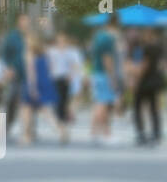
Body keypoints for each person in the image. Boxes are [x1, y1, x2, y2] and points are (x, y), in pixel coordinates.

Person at [89, 16, 122, 144]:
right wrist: (113, 78)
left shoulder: (99, 36)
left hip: (97, 73)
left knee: (99, 103)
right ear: (114, 26)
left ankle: (94, 132)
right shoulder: (108, 39)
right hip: (104, 74)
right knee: (103, 104)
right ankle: (107, 134)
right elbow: (107, 59)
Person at [22, 32, 58, 145]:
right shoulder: (44, 53)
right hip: (44, 83)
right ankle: (59, 128)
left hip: (33, 85)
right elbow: (51, 68)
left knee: (27, 110)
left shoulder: (29, 54)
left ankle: (27, 136)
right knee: (45, 110)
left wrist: (32, 88)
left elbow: (31, 72)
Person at [47, 31, 83, 144]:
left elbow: (76, 65)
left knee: (63, 103)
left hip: (66, 80)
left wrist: (72, 75)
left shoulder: (70, 52)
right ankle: (62, 127)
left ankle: (63, 128)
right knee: (57, 104)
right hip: (55, 80)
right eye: (59, 41)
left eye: (63, 41)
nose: (61, 43)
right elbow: (49, 65)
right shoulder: (52, 52)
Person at [134, 28, 167, 145]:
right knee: (154, 108)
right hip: (156, 80)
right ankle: (156, 133)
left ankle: (140, 133)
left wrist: (137, 79)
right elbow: (163, 65)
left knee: (138, 106)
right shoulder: (160, 47)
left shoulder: (147, 48)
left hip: (145, 81)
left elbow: (145, 64)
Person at [0, 14, 29, 138]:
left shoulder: (29, 36)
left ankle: (29, 129)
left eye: (27, 21)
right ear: (19, 22)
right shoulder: (12, 37)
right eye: (23, 21)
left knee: (29, 102)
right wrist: (8, 68)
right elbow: (4, 54)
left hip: (28, 74)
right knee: (12, 100)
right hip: (15, 74)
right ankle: (7, 125)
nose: (26, 23)